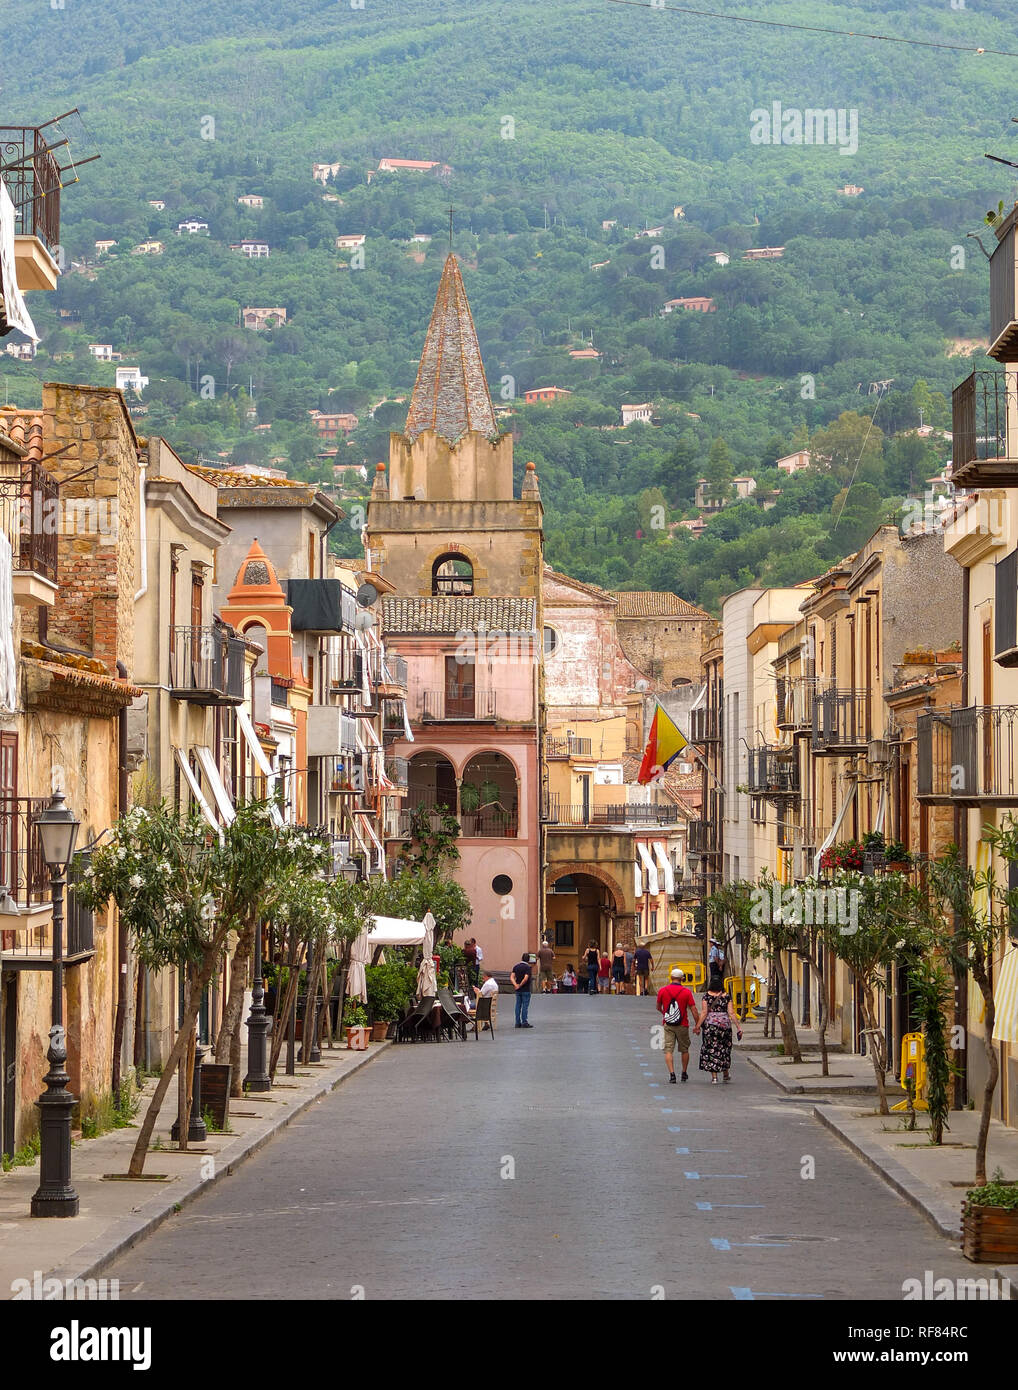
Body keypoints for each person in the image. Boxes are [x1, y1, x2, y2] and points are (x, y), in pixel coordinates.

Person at [696, 969, 743, 1084]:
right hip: (725, 1026)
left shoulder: (706, 996)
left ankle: (714, 1077)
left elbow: (704, 1012)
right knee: (725, 1049)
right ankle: (726, 1074)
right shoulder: (726, 996)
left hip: (711, 1026)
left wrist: (697, 1026)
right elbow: (731, 1013)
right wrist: (738, 1027)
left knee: (712, 1049)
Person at [656, 967, 699, 1083]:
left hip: (668, 1024)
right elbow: (694, 1009)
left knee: (668, 1050)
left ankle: (672, 1074)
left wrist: (666, 1014)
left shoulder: (663, 990)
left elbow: (658, 1007)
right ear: (682, 979)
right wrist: (697, 1025)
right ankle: (684, 1072)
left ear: (671, 978)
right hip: (683, 1024)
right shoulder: (686, 992)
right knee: (684, 1049)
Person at [511, 955, 533, 1028]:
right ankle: (524, 1022)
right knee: (525, 1006)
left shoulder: (516, 966)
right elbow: (525, 978)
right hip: (525, 989)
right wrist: (520, 985)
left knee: (518, 1005)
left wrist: (516, 985)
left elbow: (512, 977)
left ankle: (517, 1022)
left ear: (521, 958)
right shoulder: (528, 968)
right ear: (528, 960)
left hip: (518, 990)